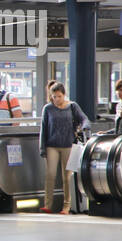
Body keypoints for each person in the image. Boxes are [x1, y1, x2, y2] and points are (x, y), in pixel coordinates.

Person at [38, 81, 91, 215]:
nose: (56, 99)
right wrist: (42, 148)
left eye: (59, 96)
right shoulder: (48, 109)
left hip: (68, 145)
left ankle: (67, 207)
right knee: (50, 175)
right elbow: (43, 129)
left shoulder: (72, 107)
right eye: (54, 96)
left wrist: (85, 127)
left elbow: (84, 119)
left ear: (64, 95)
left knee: (67, 177)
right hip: (52, 146)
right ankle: (48, 205)